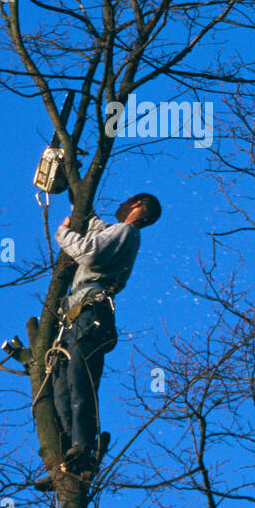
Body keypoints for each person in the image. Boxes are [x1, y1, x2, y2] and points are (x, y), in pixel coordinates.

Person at [32, 192, 161, 489]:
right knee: (61, 388)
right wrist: (73, 183)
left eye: (125, 200)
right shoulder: (113, 233)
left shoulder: (126, 232)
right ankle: (67, 456)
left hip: (91, 315)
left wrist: (63, 232)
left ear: (137, 204)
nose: (119, 204)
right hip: (73, 320)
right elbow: (93, 225)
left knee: (79, 381)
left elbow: (90, 253)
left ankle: (83, 447)